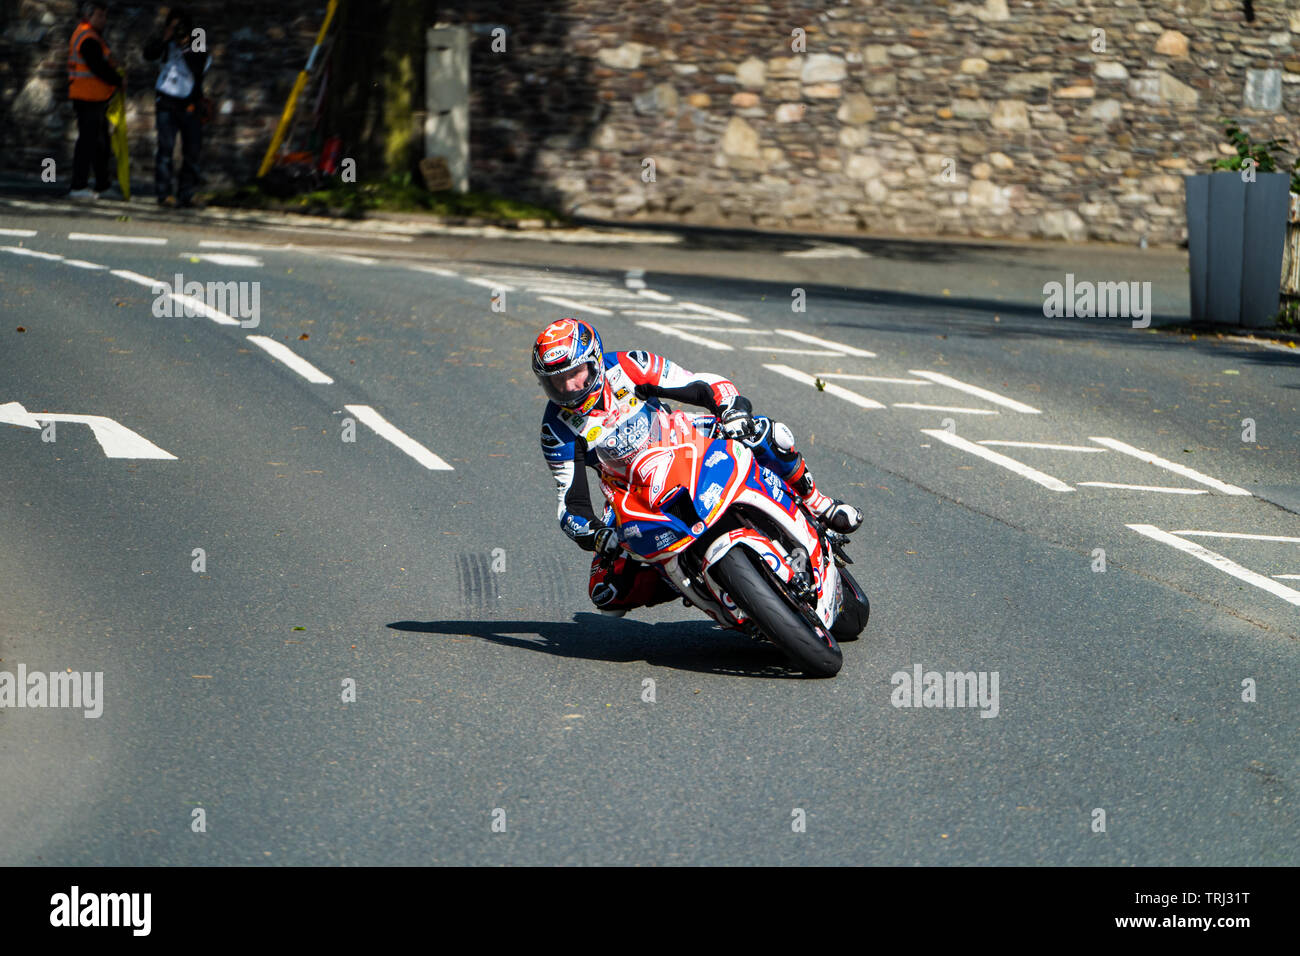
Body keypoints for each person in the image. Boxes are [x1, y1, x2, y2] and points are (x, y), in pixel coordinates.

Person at [533, 317, 863, 617]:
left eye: (574, 375)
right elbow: (570, 506)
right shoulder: (556, 428)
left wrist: (731, 411)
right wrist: (598, 535)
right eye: (555, 382)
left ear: (594, 361)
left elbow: (703, 385)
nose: (568, 389)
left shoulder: (629, 366)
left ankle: (819, 504)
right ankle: (695, 580)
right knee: (606, 592)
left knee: (765, 432)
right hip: (634, 492)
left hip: (688, 440)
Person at [143, 7, 210, 207]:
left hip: (190, 103)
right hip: (166, 101)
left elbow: (198, 67)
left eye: (180, 27)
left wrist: (184, 44)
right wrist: (166, 38)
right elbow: (149, 54)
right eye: (173, 27)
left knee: (192, 150)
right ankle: (164, 194)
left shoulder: (197, 37)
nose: (177, 31)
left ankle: (187, 193)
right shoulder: (165, 39)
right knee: (165, 149)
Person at [67, 2, 123, 199]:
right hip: (87, 96)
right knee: (89, 142)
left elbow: (102, 63)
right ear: (88, 16)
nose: (103, 20)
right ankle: (79, 186)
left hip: (94, 97)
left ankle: (102, 184)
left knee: (99, 142)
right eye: (99, 16)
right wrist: (117, 80)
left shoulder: (91, 35)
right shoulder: (88, 37)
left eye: (105, 16)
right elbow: (98, 66)